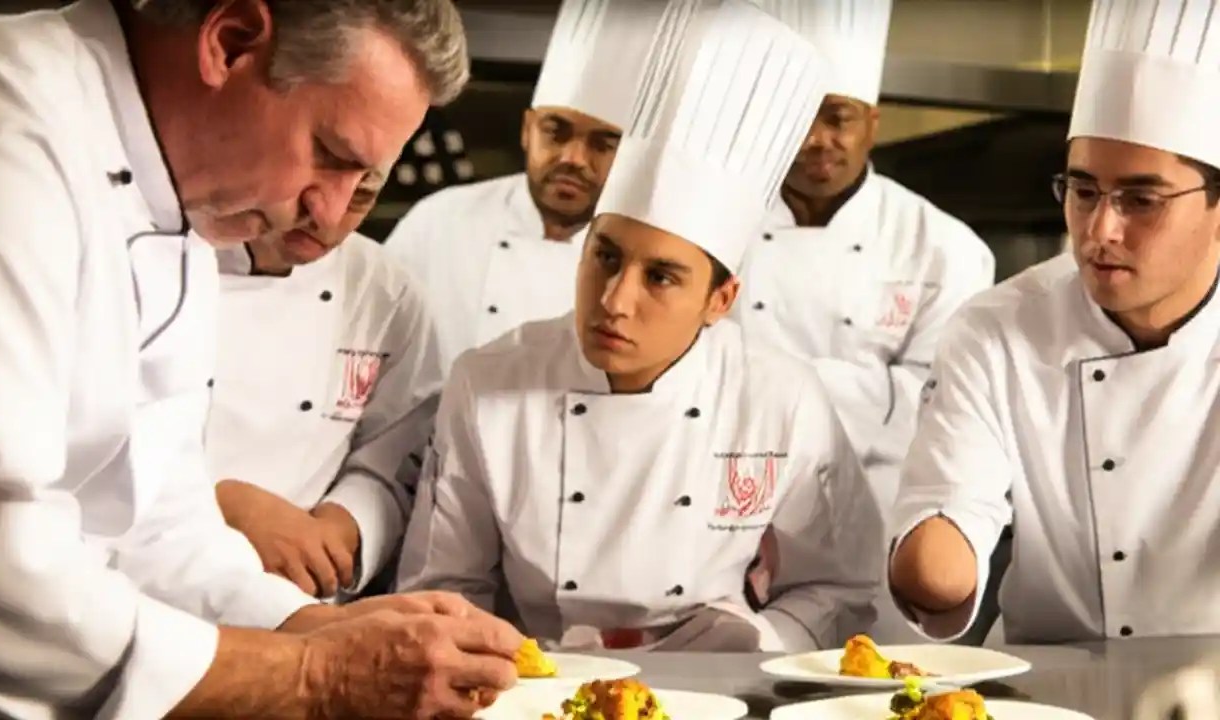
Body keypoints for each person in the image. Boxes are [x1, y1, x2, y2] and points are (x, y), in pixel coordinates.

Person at [0, 1, 522, 718]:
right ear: (232, 41)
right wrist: (316, 676)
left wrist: (316, 625)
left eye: (363, 183)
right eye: (332, 155)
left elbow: (157, 521)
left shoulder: (187, 196)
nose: (331, 210)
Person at [397, 0, 882, 654]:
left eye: (661, 277)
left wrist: (760, 642)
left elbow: (839, 585)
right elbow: (445, 586)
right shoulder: (488, 384)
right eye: (606, 257)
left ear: (721, 299)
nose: (615, 301)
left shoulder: (778, 399)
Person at [888, 0, 1220, 644]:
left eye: (1140, 200)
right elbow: (951, 510)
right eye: (1083, 189)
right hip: (1043, 691)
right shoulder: (997, 329)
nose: (1099, 230)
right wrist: (933, 554)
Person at [739, 0, 995, 510]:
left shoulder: (944, 247)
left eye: (838, 117)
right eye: (795, 117)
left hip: (873, 511)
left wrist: (755, 386)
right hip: (731, 502)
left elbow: (938, 403)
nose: (816, 139)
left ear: (871, 124)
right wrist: (870, 389)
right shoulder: (719, 226)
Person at [385, 0, 668, 375]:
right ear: (527, 129)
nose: (574, 159)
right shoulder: (439, 220)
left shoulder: (646, 252)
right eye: (555, 131)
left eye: (603, 143)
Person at [207, 200, 442, 601]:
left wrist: (339, 529)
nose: (329, 215)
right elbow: (98, 452)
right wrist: (221, 507)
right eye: (326, 166)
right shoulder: (161, 256)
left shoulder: (383, 289)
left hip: (300, 601)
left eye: (364, 193)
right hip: (151, 590)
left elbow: (398, 458)